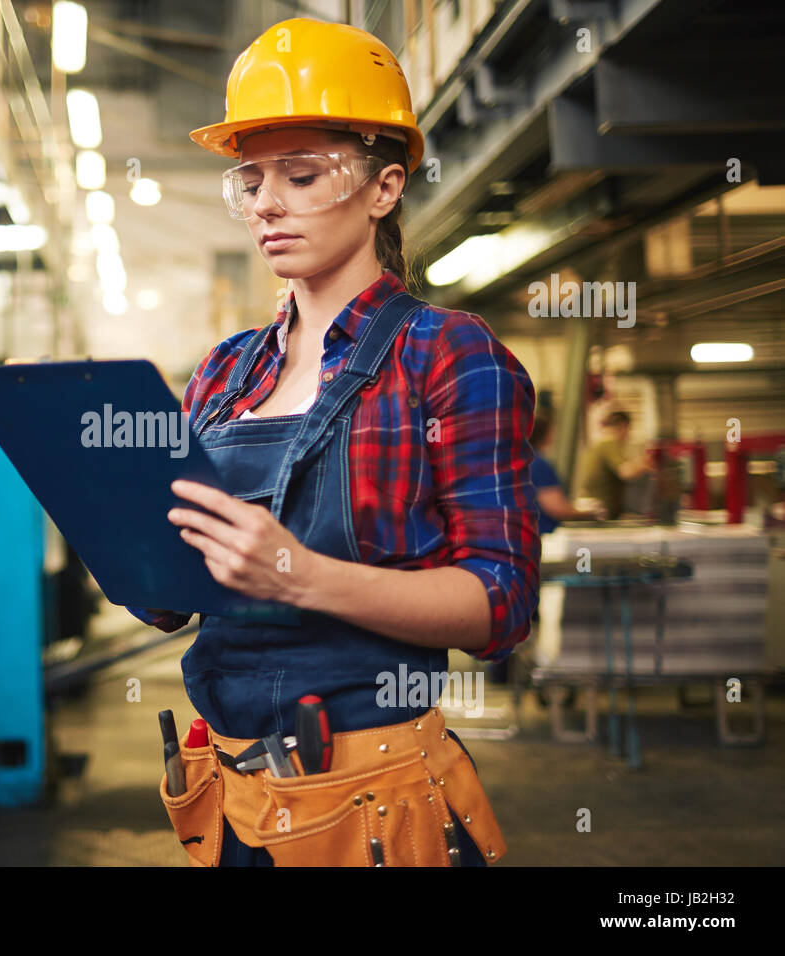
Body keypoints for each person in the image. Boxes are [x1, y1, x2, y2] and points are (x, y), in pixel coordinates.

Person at [127, 18, 540, 867]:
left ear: (384, 188)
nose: (266, 203)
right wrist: (100, 507)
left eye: (302, 174)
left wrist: (300, 574)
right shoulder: (223, 373)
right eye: (250, 181)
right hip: (234, 801)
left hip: (377, 808)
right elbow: (166, 604)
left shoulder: (446, 354)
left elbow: (501, 606)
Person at [530, 415, 599, 533]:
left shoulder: (521, 460)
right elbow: (556, 507)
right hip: (543, 535)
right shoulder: (539, 464)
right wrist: (587, 513)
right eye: (552, 430)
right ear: (545, 434)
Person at [580, 410, 655, 520]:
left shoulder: (598, 445)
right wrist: (647, 463)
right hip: (602, 513)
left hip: (598, 510)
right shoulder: (609, 443)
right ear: (623, 426)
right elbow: (626, 472)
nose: (628, 436)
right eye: (629, 430)